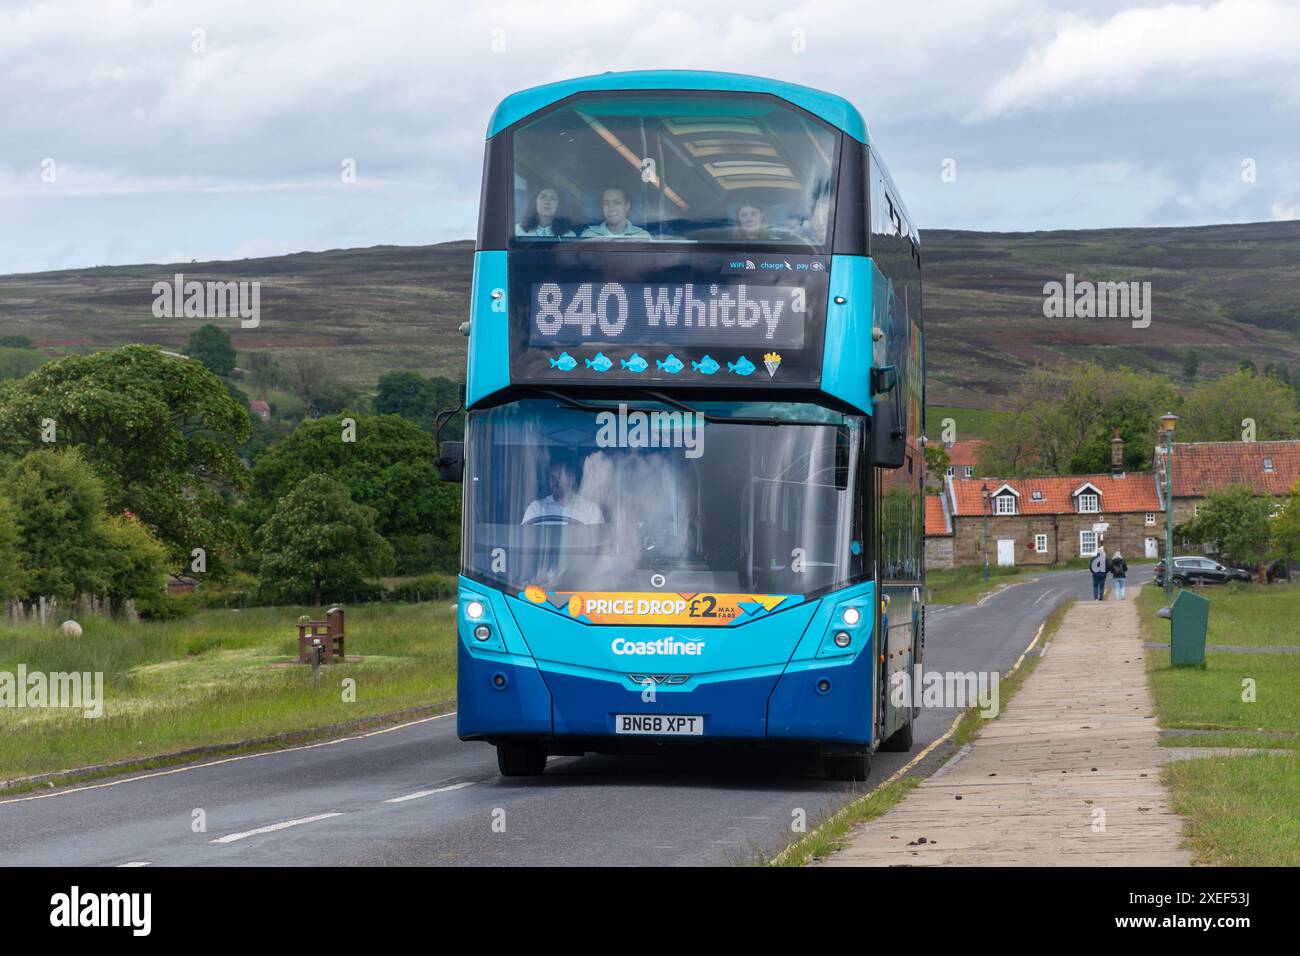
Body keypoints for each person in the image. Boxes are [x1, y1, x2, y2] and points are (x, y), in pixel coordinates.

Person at [522, 460, 604, 525]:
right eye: (552, 477)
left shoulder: (591, 511)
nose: (555, 481)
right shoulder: (535, 509)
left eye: (560, 476)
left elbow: (599, 544)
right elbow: (524, 541)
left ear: (572, 479)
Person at [580, 188, 650, 239]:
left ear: (627, 206)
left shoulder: (643, 236)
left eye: (617, 203)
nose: (611, 209)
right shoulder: (588, 235)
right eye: (606, 203)